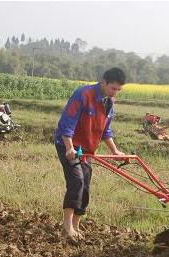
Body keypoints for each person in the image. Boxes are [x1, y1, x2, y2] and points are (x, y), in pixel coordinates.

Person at [54, 68, 126, 241]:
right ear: (104, 82)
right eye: (113, 88)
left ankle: (76, 225)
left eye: (118, 90)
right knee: (76, 181)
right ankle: (67, 227)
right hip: (68, 145)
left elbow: (106, 130)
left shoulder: (109, 102)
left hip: (87, 150)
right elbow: (67, 123)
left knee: (85, 184)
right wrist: (69, 148)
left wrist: (115, 151)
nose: (114, 93)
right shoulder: (83, 94)